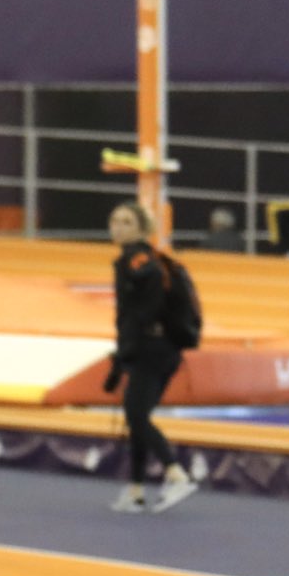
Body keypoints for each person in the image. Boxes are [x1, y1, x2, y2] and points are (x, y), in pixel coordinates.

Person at [103, 201, 198, 513]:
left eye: (127, 222)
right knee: (137, 417)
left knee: (137, 417)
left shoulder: (135, 262)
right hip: (166, 348)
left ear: (142, 229)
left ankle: (175, 472)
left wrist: (125, 352)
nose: (118, 227)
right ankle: (136, 489)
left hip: (150, 349)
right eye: (115, 221)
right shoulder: (153, 260)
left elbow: (136, 313)